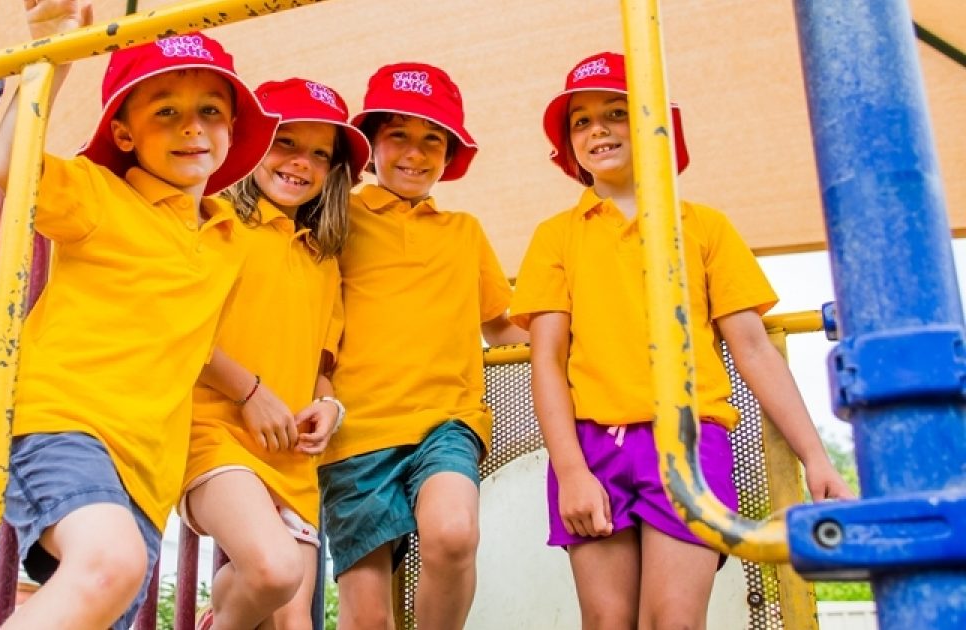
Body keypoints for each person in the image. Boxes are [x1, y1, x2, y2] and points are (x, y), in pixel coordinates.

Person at [511, 51, 853, 629]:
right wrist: (570, 469)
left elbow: (753, 349)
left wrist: (816, 457)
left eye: (616, 112)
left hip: (691, 441)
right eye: (581, 120)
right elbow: (546, 359)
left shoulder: (705, 226)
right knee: (606, 620)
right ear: (569, 146)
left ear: (653, 124)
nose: (597, 129)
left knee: (674, 619)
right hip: (592, 446)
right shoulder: (556, 236)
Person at [0, 2, 279, 628]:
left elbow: (193, 342)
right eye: (165, 111)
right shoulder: (100, 195)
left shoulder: (228, 238)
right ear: (124, 134)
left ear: (231, 130)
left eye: (210, 111)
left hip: (148, 471)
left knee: (105, 595)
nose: (191, 127)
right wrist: (51, 55)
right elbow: (10, 167)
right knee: (108, 565)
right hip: (65, 422)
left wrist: (256, 393)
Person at [318, 62, 528, 630]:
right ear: (371, 146)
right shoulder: (338, 217)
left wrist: (579, 342)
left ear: (450, 153)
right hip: (355, 431)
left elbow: (500, 326)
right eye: (398, 136)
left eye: (432, 139)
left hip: (446, 420)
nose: (415, 153)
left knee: (453, 535)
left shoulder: (464, 232)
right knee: (368, 619)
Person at [180, 77, 371, 630]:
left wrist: (329, 407)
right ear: (250, 142)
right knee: (270, 570)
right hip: (213, 435)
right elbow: (179, 331)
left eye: (319, 154)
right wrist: (251, 392)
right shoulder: (212, 221)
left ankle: (227, 605)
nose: (300, 162)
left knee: (293, 623)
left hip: (290, 457)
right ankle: (226, 605)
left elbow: (319, 368)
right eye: (284, 142)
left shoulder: (321, 259)